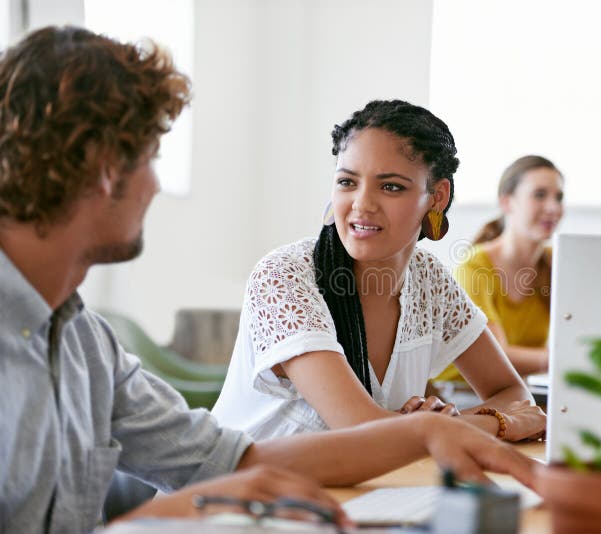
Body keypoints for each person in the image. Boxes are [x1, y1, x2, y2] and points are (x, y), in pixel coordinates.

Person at [0, 27, 540, 533]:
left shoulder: (84, 345)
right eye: (150, 157)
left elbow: (233, 461)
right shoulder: (288, 272)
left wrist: (429, 429)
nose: (156, 185)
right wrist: (143, 523)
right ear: (104, 169)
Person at [212, 100, 547, 442]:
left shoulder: (430, 279)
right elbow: (364, 431)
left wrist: (434, 424)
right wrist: (494, 423)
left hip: (359, 492)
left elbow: (515, 395)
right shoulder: (283, 276)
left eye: (390, 187)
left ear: (437, 197)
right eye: (347, 182)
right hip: (236, 493)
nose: (362, 204)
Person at [435, 155, 564, 382]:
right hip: (456, 395)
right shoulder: (475, 268)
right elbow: (494, 356)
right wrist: (563, 359)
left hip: (510, 393)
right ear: (507, 203)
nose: (553, 207)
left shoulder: (558, 264)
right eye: (540, 195)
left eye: (559, 197)